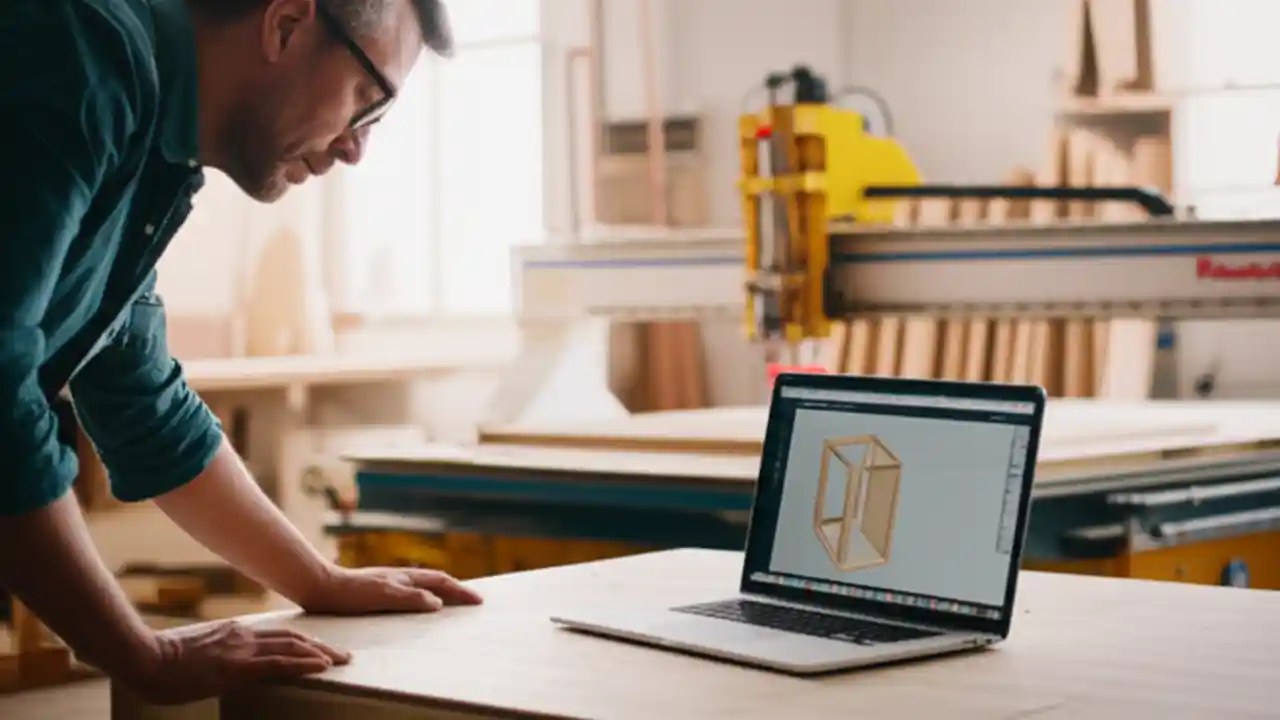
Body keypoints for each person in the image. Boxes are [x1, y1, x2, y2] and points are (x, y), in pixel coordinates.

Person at [0, 0, 481, 706]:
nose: (356, 148)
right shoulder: (80, 53)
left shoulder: (156, 155)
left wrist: (317, 581)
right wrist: (145, 657)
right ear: (286, 23)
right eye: (367, 103)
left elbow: (142, 400)